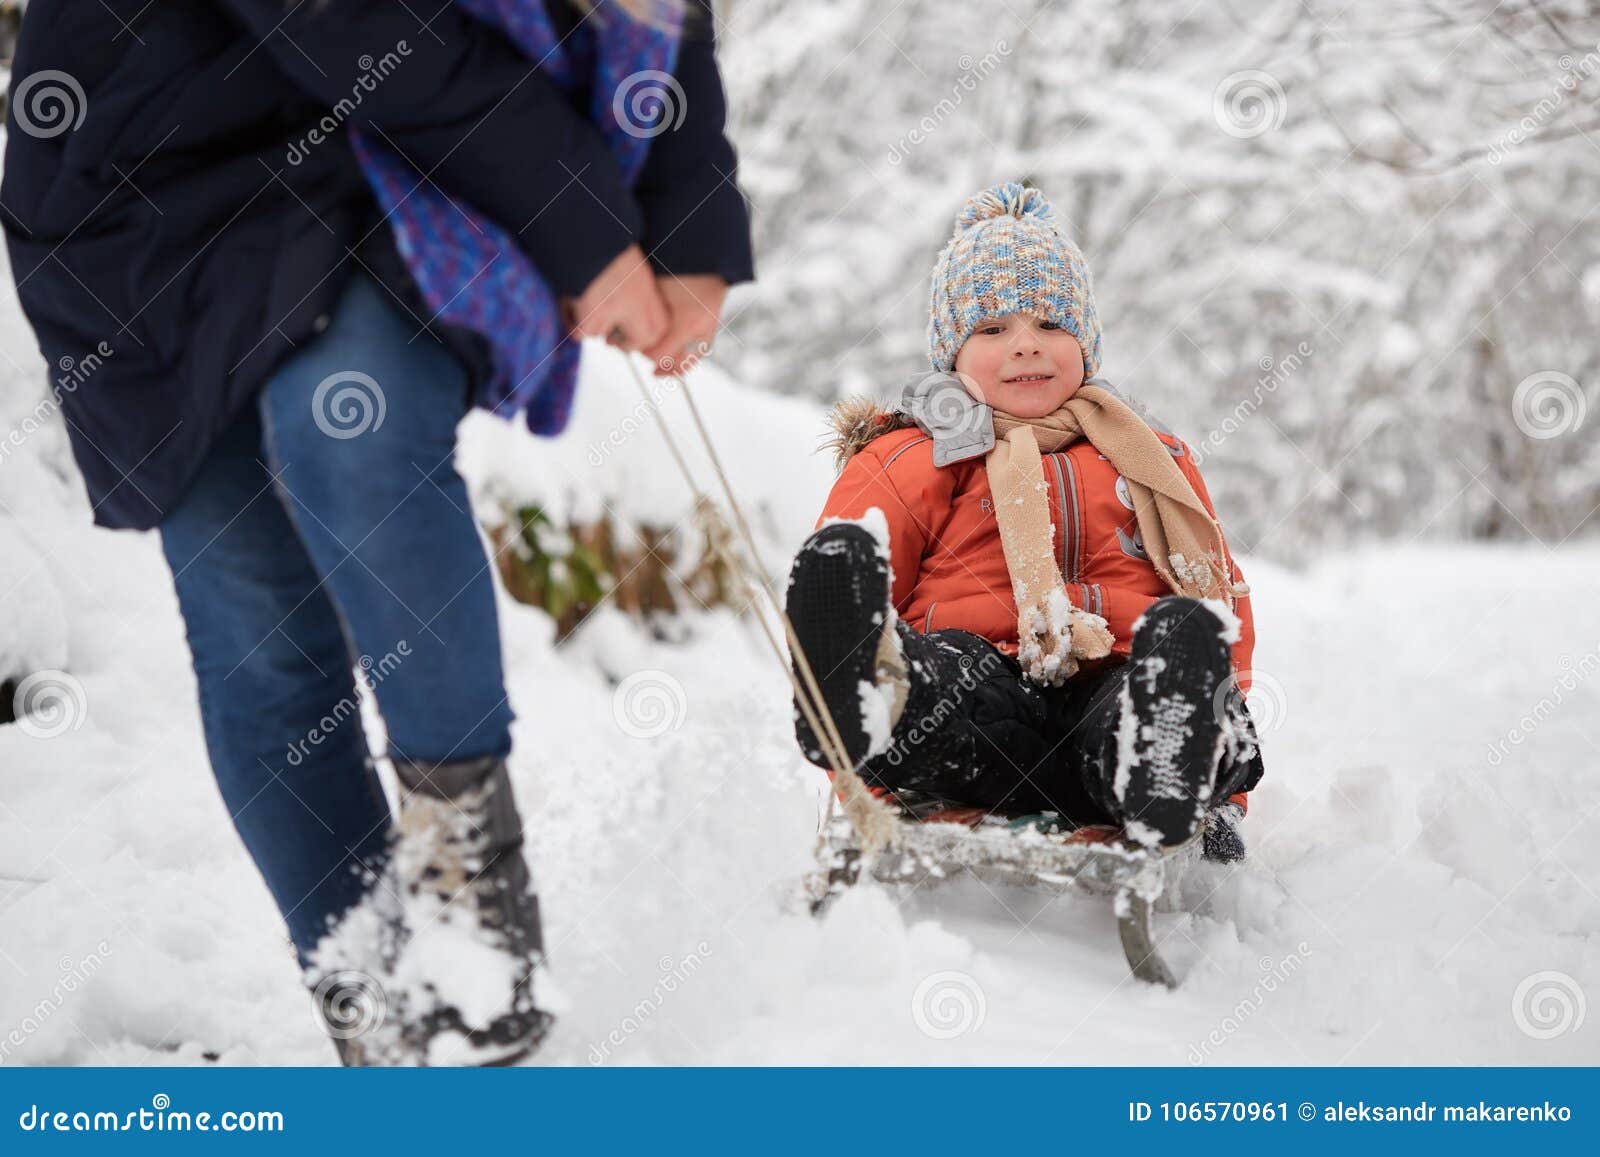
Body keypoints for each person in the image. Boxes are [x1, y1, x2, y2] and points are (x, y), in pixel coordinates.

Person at [1, 0, 753, 1064]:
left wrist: (687, 219)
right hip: (138, 180)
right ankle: (380, 1016)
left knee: (343, 425)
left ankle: (467, 902)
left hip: (387, 160)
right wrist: (584, 222)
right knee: (254, 627)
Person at [786, 182, 1262, 855]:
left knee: (1167, 668)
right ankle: (873, 698)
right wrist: (864, 787)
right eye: (992, 328)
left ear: (1085, 341)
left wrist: (1228, 802)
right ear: (951, 351)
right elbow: (867, 588)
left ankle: (1170, 760)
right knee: (944, 682)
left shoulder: (1147, 459)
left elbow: (1221, 598)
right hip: (984, 713)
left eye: (1050, 324)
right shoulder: (920, 453)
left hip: (1115, 696)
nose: (1026, 346)